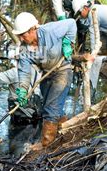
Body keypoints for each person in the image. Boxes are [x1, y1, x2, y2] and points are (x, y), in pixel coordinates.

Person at [12, 12, 76, 148]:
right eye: (19, 35)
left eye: (24, 34)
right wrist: (23, 91)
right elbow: (24, 72)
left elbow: (71, 23)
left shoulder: (50, 30)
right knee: (48, 105)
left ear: (33, 29)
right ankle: (64, 134)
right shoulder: (24, 49)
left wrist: (67, 42)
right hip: (47, 74)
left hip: (62, 70)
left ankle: (46, 146)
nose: (22, 38)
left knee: (51, 108)